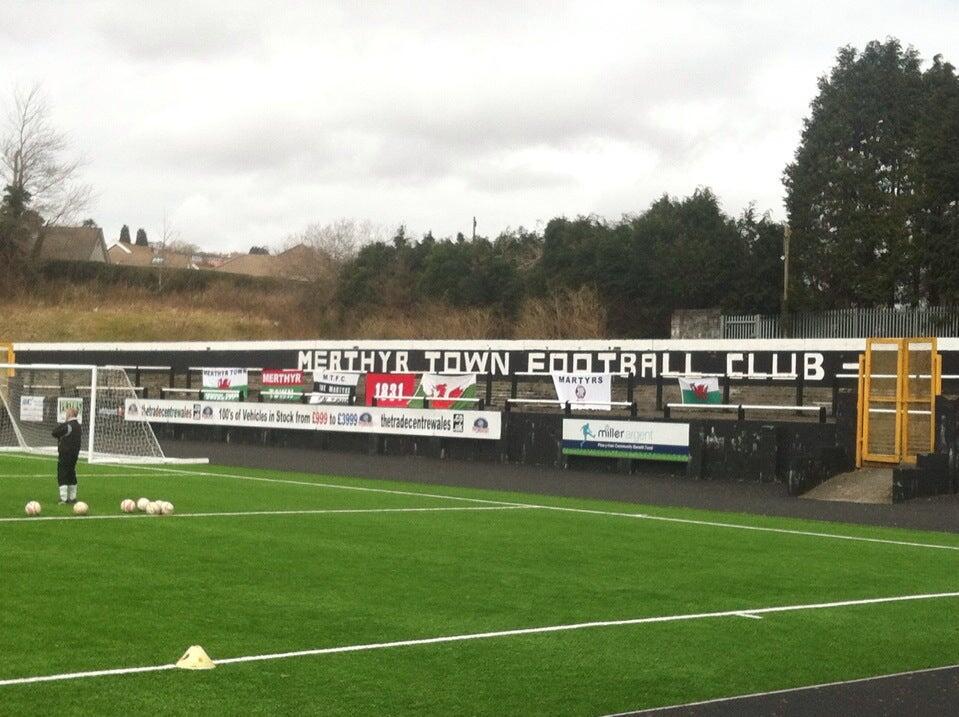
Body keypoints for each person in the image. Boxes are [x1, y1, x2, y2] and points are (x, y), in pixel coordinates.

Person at [52, 407, 82, 504]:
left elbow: (54, 432)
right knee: (71, 473)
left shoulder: (68, 426)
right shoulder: (78, 425)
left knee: (62, 473)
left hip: (65, 453)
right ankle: (73, 497)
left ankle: (63, 498)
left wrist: (64, 423)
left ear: (69, 415)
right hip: (75, 454)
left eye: (66, 413)